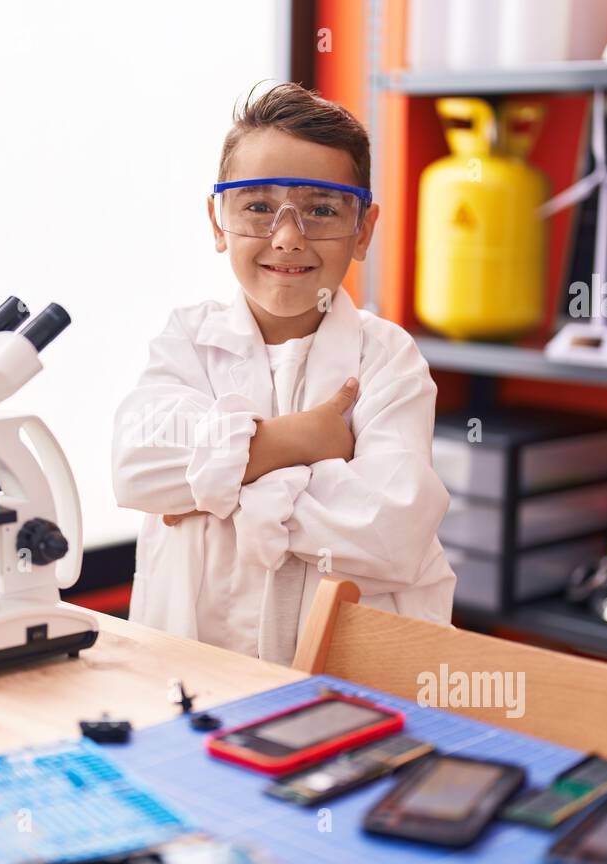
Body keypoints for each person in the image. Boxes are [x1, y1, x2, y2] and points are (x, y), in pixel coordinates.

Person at [112, 82, 455, 665]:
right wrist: (297, 442)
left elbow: (391, 531)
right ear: (218, 222)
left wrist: (216, 487)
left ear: (363, 229)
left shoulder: (388, 359)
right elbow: (137, 468)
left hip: (346, 687)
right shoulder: (188, 339)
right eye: (258, 207)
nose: (288, 236)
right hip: (185, 668)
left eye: (322, 209)